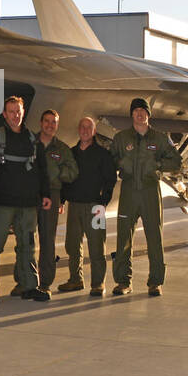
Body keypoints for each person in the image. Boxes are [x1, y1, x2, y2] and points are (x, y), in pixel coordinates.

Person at [0, 96, 51, 304]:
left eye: (18, 111)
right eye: (11, 111)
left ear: (23, 112)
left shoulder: (32, 140)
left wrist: (45, 194)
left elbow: (42, 169)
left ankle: (30, 286)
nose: (15, 115)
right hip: (3, 203)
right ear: (4, 114)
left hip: (27, 204)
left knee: (28, 246)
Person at [110, 98, 182, 297]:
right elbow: (109, 160)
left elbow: (176, 161)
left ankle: (155, 282)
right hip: (129, 192)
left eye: (143, 111)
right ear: (131, 114)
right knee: (124, 237)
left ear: (148, 115)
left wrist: (158, 166)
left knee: (154, 237)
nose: (140, 114)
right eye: (136, 111)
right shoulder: (121, 138)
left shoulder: (159, 138)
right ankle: (123, 282)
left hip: (150, 191)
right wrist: (120, 163)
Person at [58, 116, 117, 295]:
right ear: (78, 129)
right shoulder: (71, 153)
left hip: (95, 207)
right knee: (72, 245)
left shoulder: (102, 155)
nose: (84, 130)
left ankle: (98, 283)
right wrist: (61, 199)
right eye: (82, 127)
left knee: (97, 245)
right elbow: (65, 179)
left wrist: (103, 201)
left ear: (94, 131)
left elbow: (110, 179)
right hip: (74, 206)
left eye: (88, 127)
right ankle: (75, 280)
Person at [31, 109, 78, 294]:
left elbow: (73, 172)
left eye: (53, 122)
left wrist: (55, 174)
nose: (50, 125)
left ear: (57, 125)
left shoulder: (62, 149)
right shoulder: (29, 142)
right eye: (47, 121)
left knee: (47, 239)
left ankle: (45, 283)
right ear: (41, 123)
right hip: (29, 194)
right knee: (25, 237)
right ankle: (25, 280)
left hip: (51, 194)